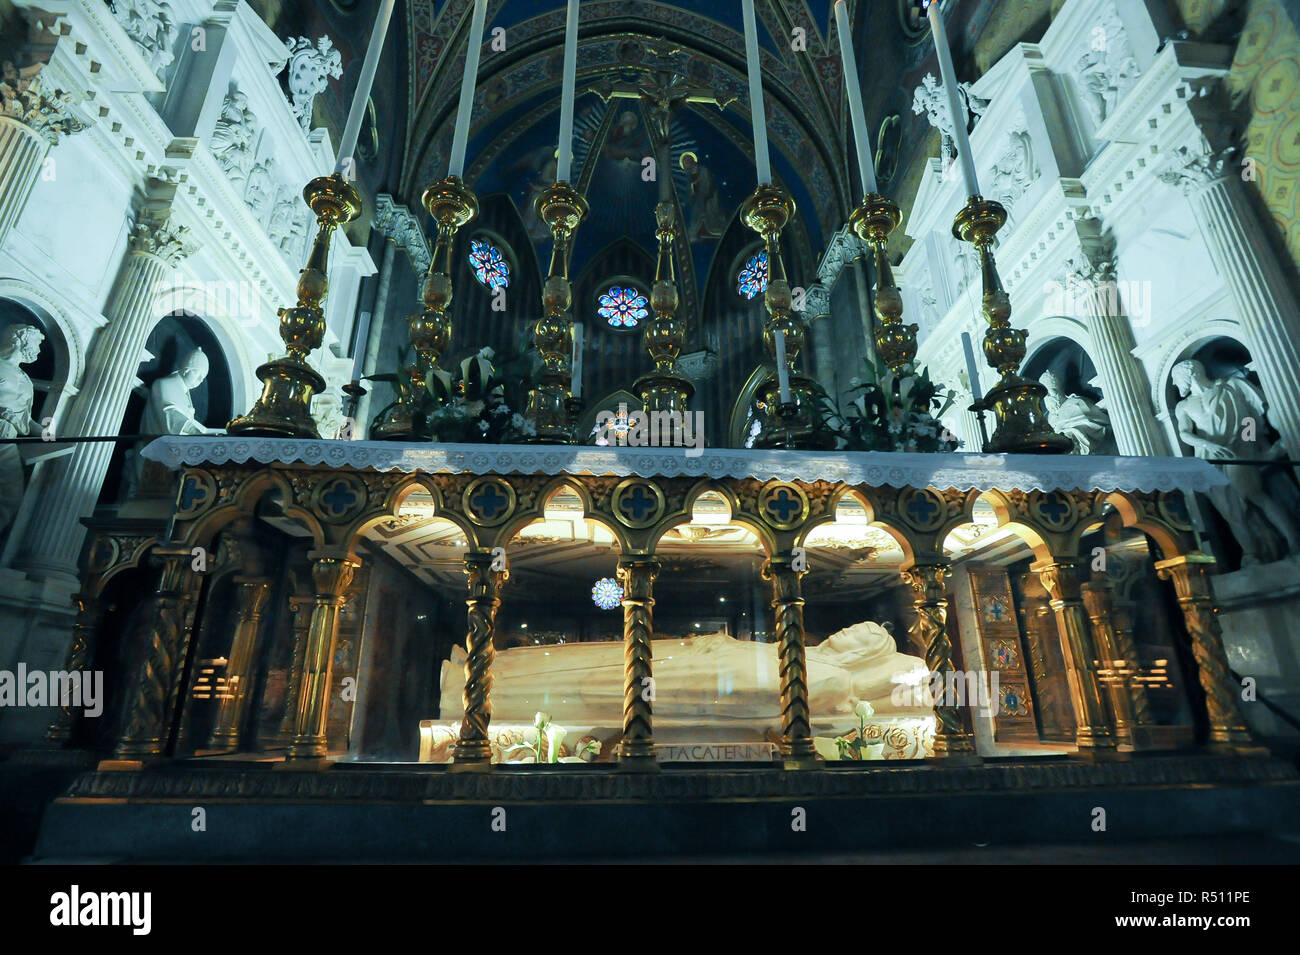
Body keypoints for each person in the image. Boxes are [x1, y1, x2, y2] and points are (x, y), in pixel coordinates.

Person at [1172, 358, 1300, 563]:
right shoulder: (1184, 406)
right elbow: (1185, 433)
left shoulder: (1231, 386)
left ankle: (1293, 539)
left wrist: (1249, 442)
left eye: (1176, 379)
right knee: (1230, 512)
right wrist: (1208, 445)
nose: (1175, 384)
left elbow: (1256, 413)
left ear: (1190, 373)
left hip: (1238, 449)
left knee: (1252, 493)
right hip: (1209, 460)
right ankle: (1252, 553)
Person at [0, 324, 44, 532]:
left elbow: (25, 420)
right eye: (36, 342)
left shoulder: (26, 381)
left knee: (10, 495)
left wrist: (45, 432)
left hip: (8, 438)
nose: (39, 349)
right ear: (20, 339)